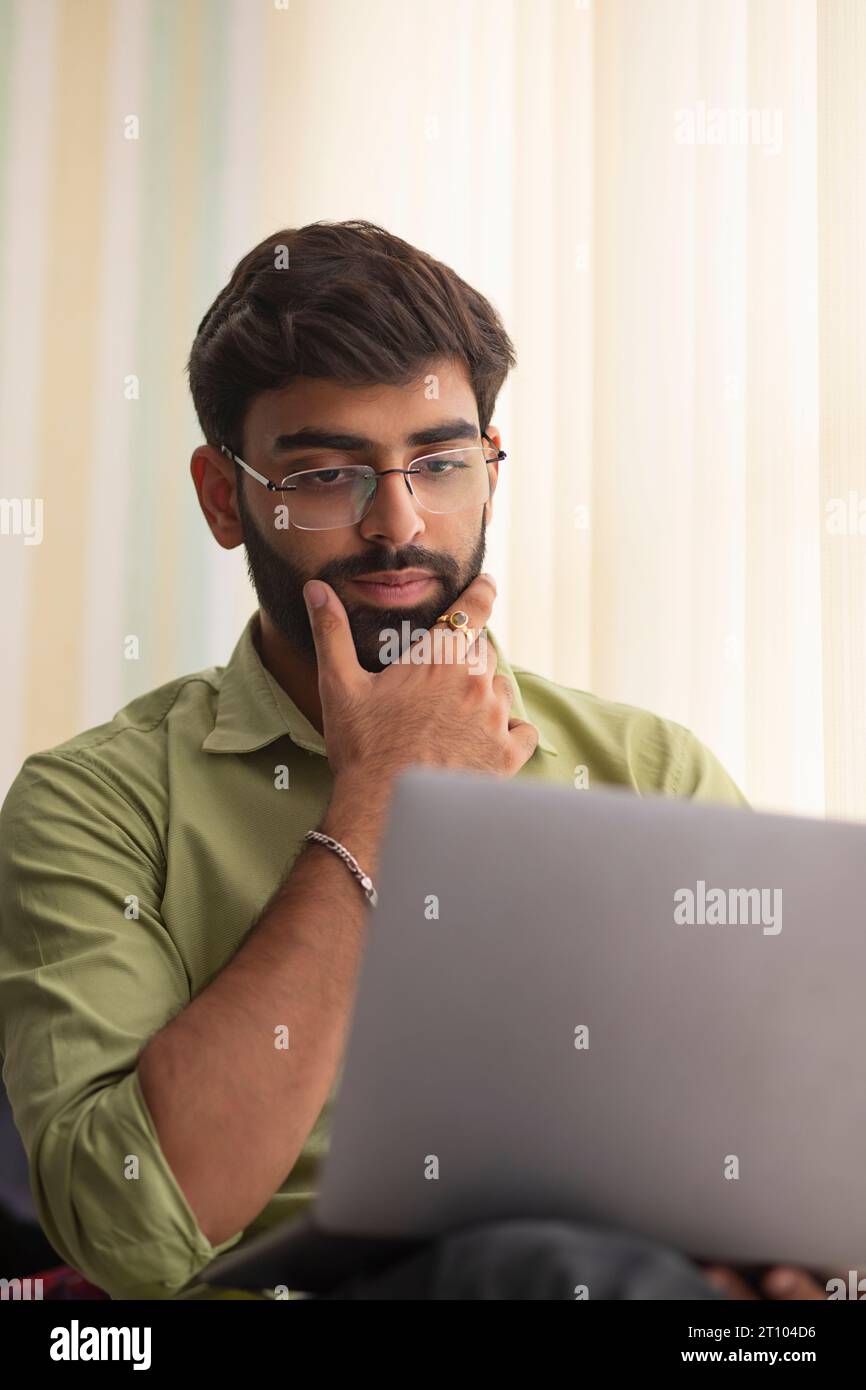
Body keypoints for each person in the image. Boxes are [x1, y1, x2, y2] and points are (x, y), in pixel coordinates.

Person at [0, 220, 823, 1302]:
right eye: (327, 471)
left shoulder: (644, 766)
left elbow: (769, 1151)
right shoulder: (93, 803)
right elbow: (134, 1232)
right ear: (223, 496)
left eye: (439, 463)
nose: (397, 524)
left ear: (491, 470)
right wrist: (382, 798)